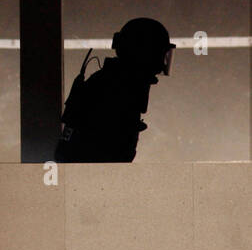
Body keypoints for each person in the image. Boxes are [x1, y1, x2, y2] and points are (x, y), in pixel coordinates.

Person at [55, 17, 176, 163]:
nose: (159, 67)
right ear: (145, 53)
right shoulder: (117, 90)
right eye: (159, 55)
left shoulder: (110, 83)